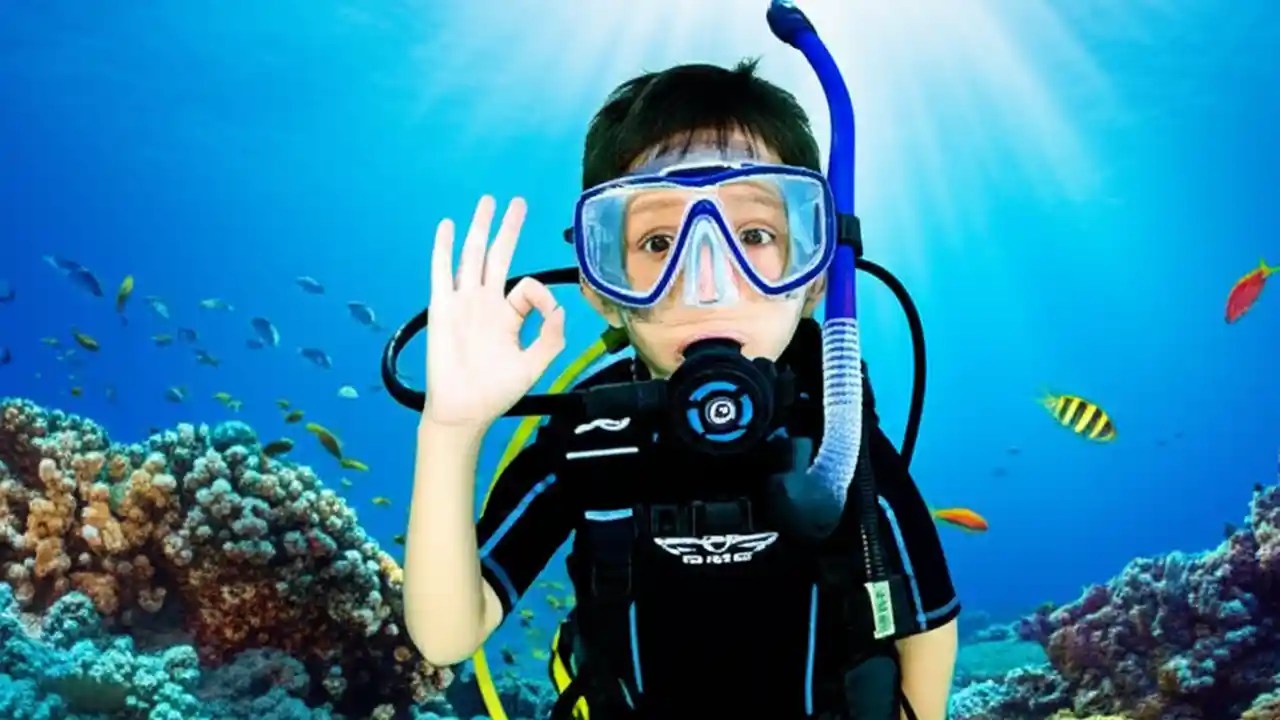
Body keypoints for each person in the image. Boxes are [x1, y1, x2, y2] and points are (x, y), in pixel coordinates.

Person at [403, 55, 959, 720]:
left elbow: (927, 627)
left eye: (753, 233)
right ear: (601, 286)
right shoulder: (591, 440)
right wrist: (450, 431)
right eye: (660, 241)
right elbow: (446, 635)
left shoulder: (839, 439)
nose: (708, 281)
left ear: (814, 273)